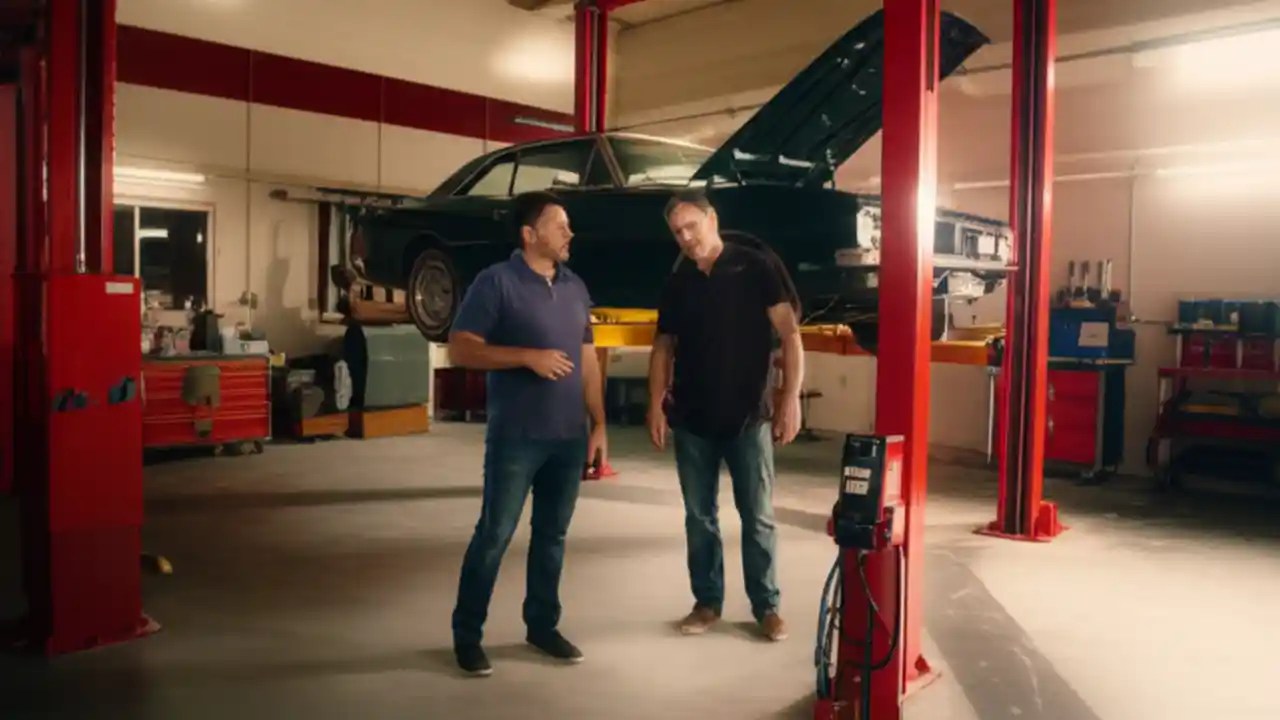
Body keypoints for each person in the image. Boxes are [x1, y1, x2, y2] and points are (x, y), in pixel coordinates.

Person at [449, 190, 607, 676]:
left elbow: (586, 360)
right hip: (518, 436)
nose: (569, 233)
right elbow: (461, 349)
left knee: (553, 536)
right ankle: (467, 635)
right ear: (528, 234)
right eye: (559, 225)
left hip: (567, 437)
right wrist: (526, 356)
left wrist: (598, 422)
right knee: (495, 534)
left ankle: (542, 626)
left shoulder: (576, 287)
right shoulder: (495, 283)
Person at [647, 187, 804, 642]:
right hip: (692, 421)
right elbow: (663, 346)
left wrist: (788, 397)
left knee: (757, 516)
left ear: (712, 219)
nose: (686, 237)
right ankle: (707, 602)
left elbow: (790, 335)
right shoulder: (679, 282)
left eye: (691, 226)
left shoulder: (755, 267)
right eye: (678, 232)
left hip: (747, 420)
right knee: (700, 518)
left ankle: (767, 607)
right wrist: (655, 403)